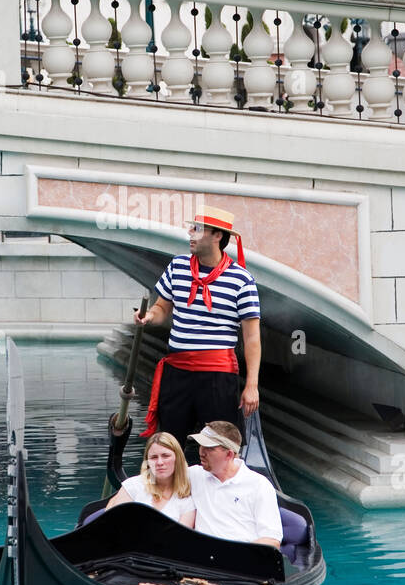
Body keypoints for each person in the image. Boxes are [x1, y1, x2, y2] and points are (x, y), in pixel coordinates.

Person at [135, 207, 261, 456]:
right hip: (177, 373)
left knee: (219, 445)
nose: (190, 233)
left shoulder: (241, 280)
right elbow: (162, 307)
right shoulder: (178, 266)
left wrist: (252, 385)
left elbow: (252, 337)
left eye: (197, 229)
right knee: (169, 443)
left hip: (217, 377)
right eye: (191, 227)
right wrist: (149, 316)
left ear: (217, 236)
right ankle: (171, 490)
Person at [186, 422, 282, 548]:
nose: (201, 452)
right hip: (201, 558)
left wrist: (236, 553)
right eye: (201, 446)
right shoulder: (194, 474)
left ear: (229, 454)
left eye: (209, 448)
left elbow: (272, 540)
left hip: (241, 558)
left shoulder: (259, 485)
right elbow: (156, 475)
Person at [104, 432, 195, 526]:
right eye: (154, 457)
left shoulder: (186, 499)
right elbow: (112, 524)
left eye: (165, 456)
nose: (160, 462)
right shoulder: (133, 486)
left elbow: (181, 537)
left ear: (178, 458)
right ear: (147, 461)